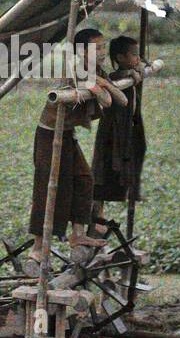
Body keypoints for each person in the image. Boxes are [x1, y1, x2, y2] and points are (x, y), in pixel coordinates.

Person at [24, 27, 120, 276]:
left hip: (66, 135)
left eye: (103, 47)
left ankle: (78, 235)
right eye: (96, 49)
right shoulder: (75, 68)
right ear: (80, 51)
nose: (102, 53)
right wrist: (100, 87)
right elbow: (106, 100)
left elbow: (112, 94)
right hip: (49, 134)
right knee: (48, 187)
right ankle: (36, 248)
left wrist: (106, 82)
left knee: (83, 179)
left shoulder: (94, 71)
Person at [90, 34, 148, 239]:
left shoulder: (132, 74)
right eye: (133, 55)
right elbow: (114, 81)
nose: (138, 58)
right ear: (121, 58)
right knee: (102, 177)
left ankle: (98, 222)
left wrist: (136, 71)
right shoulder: (115, 78)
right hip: (112, 135)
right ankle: (95, 221)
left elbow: (140, 69)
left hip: (127, 135)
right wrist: (131, 73)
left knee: (119, 174)